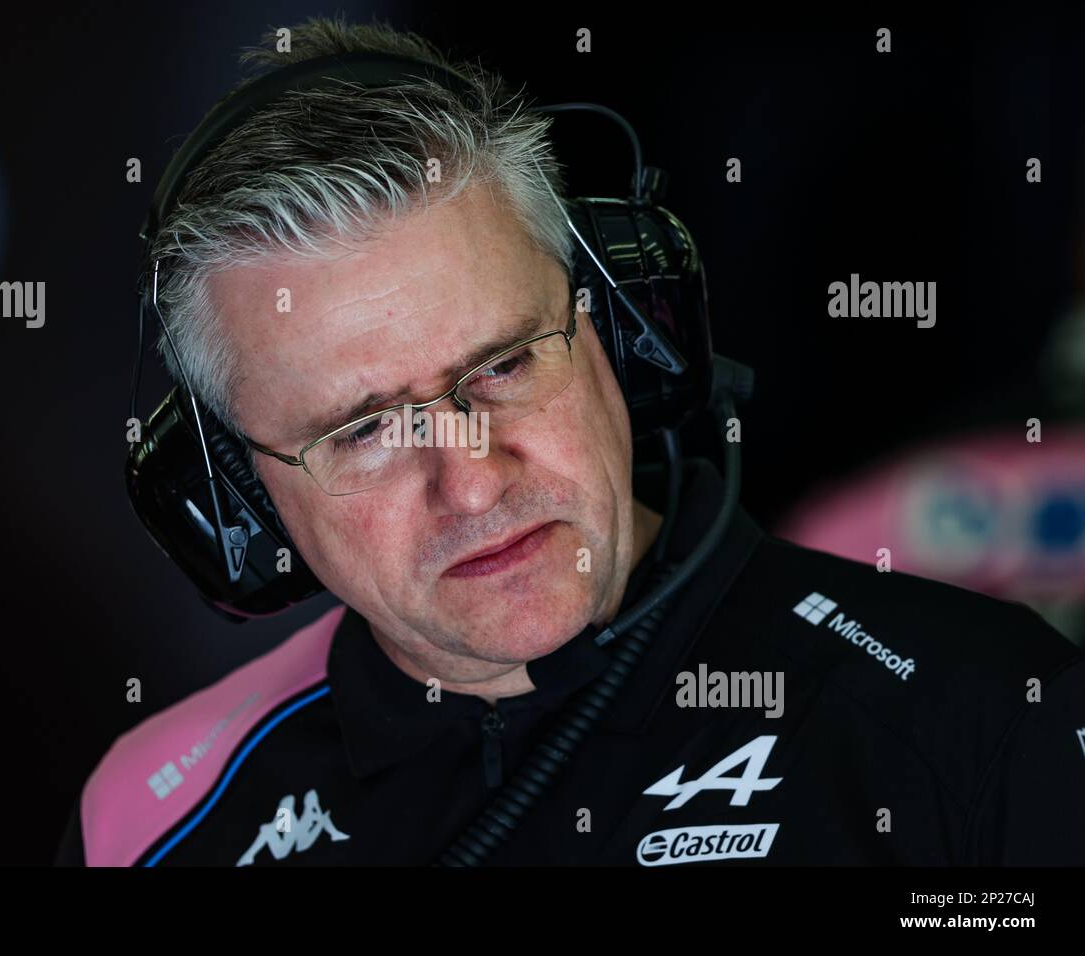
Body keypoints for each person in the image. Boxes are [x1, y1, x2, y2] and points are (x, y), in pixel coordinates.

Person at [54, 16, 1085, 866]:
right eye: (364, 428)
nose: (468, 482)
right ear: (238, 491)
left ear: (618, 329)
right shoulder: (148, 820)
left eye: (502, 364)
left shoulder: (976, 718)